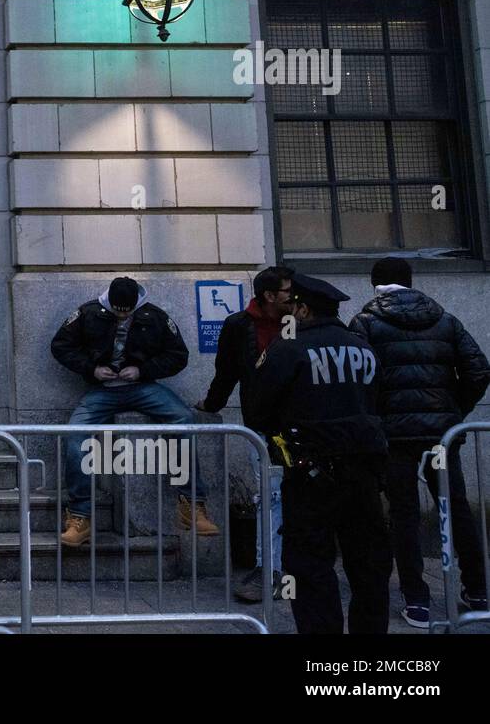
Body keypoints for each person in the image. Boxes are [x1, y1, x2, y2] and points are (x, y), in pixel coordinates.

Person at [348, 256, 490, 628]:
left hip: (394, 435)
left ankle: (417, 601)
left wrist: (376, 416)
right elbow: (478, 368)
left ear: (374, 284)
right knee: (456, 506)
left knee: (404, 514)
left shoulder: (365, 323)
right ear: (411, 282)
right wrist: (453, 408)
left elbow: (358, 379)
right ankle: (477, 589)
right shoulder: (444, 319)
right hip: (442, 433)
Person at [249, 273, 391, 634]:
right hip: (365, 472)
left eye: (293, 307)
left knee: (310, 563)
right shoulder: (363, 346)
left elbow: (258, 409)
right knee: (369, 562)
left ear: (303, 308)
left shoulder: (288, 348)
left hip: (311, 472)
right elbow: (379, 403)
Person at [51, 276, 219, 547]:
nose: (122, 314)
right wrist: (91, 369)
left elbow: (178, 355)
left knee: (183, 420)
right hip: (103, 390)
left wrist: (143, 370)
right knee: (76, 434)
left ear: (135, 304)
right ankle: (80, 516)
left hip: (142, 386)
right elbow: (60, 346)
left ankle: (192, 506)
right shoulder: (89, 313)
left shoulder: (153, 316)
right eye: (117, 310)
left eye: (127, 310)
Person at [198, 266, 295, 603]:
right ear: (269, 296)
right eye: (287, 291)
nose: (293, 296)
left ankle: (297, 569)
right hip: (265, 427)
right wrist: (211, 405)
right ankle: (269, 570)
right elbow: (226, 372)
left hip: (306, 425)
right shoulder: (239, 325)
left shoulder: (300, 320)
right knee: (272, 497)